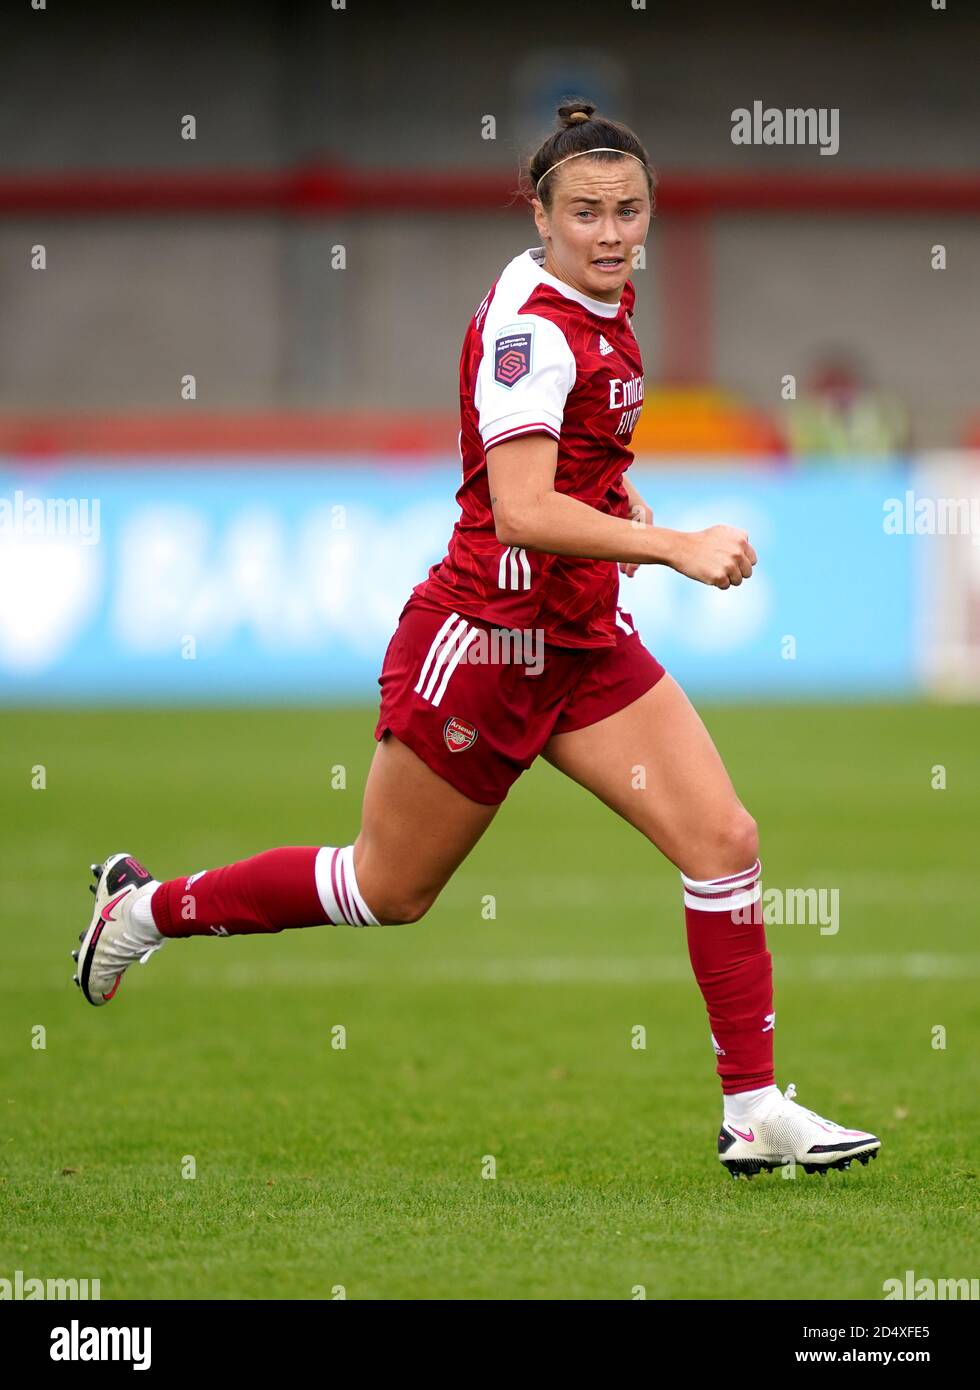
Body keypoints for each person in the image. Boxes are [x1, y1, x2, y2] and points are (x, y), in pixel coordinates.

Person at [74, 101, 880, 1179]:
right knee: (384, 890)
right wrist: (671, 543)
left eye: (627, 210)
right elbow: (518, 509)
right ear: (538, 214)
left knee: (722, 841)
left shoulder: (596, 302)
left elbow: (570, 469)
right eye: (583, 211)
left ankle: (751, 1109)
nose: (608, 231)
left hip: (582, 637)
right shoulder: (533, 331)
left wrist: (614, 496)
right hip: (488, 640)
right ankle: (144, 908)